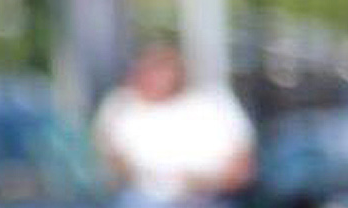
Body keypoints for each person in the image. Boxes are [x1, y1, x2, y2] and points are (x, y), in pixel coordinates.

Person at [92, 42, 255, 208]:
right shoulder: (120, 105)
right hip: (144, 198)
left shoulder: (214, 103)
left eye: (162, 69)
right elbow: (109, 162)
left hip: (211, 197)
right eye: (148, 69)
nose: (155, 78)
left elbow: (242, 169)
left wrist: (200, 182)